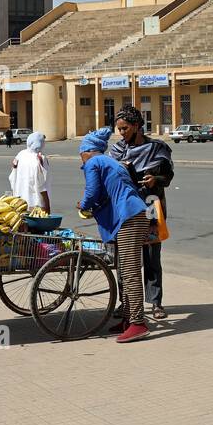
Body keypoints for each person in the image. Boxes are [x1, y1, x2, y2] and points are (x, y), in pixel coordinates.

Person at [78, 126, 150, 343]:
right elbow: (106, 193)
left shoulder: (93, 162)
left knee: (129, 271)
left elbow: (91, 193)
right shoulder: (111, 162)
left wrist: (83, 205)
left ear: (87, 151)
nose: (80, 160)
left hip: (129, 217)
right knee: (124, 271)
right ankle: (128, 319)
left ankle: (138, 323)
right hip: (134, 215)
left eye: (80, 154)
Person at [106, 106, 174, 319]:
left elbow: (169, 178)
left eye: (125, 128)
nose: (122, 133)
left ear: (137, 126)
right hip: (123, 210)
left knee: (152, 256)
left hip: (150, 207)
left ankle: (155, 302)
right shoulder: (116, 150)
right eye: (119, 129)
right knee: (124, 258)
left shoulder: (157, 149)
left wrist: (156, 180)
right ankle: (125, 302)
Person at [10, 131, 51, 211]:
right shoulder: (39, 158)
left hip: (19, 203)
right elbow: (42, 185)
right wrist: (47, 206)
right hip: (36, 205)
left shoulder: (20, 155)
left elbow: (12, 177)